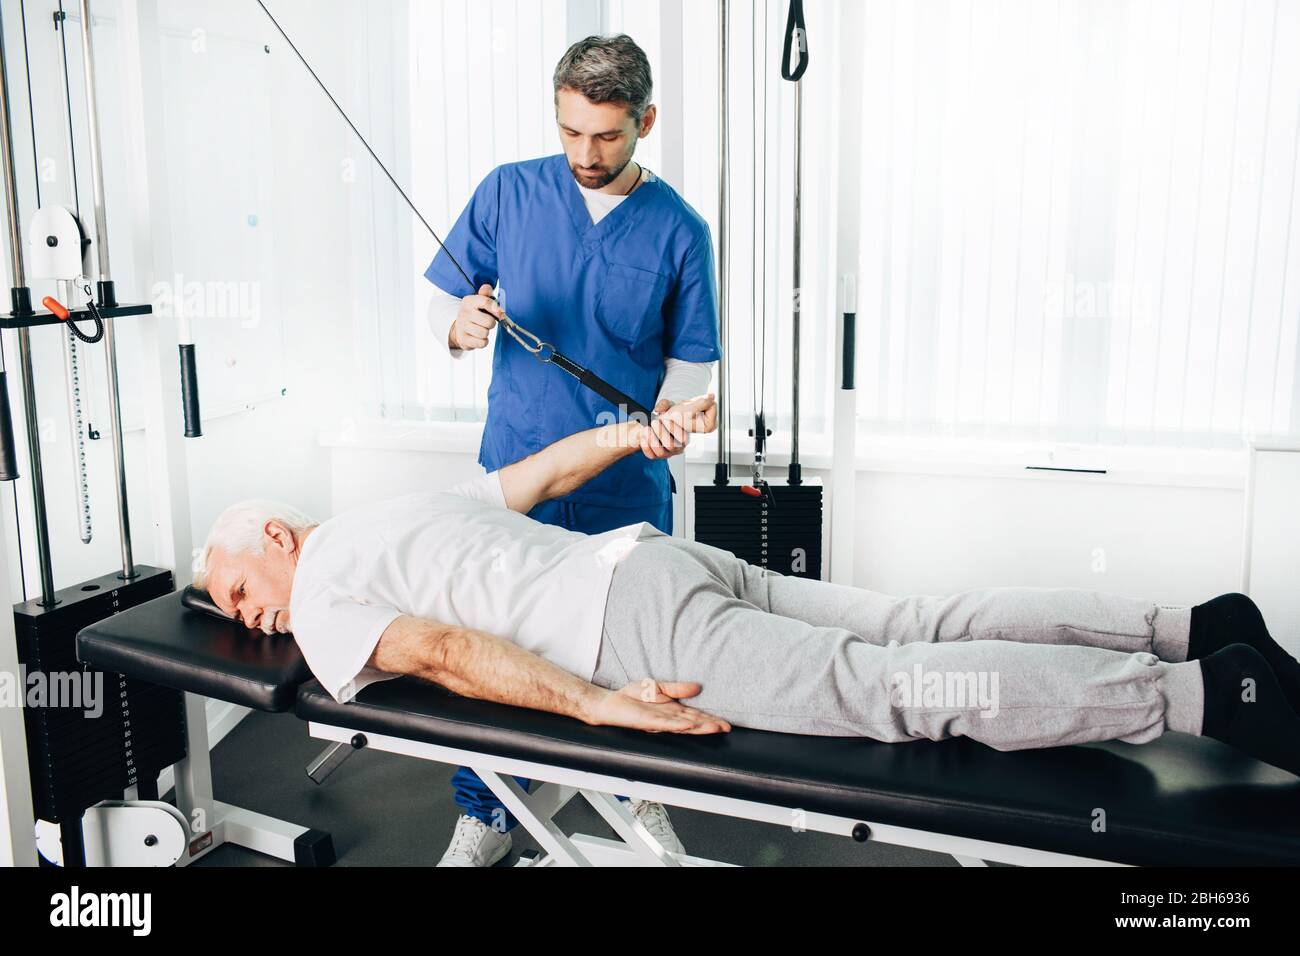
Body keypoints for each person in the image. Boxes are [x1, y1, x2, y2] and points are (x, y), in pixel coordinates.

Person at [195, 391, 1300, 869]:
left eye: (242, 592)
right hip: (651, 555)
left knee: (892, 687)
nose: (253, 621)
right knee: (915, 620)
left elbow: (438, 652)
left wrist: (591, 702)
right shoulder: (391, 513)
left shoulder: (328, 593)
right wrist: (635, 435)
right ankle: (1187, 627)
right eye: (238, 617)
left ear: (280, 537)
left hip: (633, 628)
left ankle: (1213, 697)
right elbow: (531, 476)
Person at [421, 32, 721, 865]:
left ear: (645, 122)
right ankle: (484, 813)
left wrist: (672, 421)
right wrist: (460, 328)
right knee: (491, 646)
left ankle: (640, 799)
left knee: (630, 646)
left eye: (607, 135)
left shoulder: (679, 230)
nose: (586, 154)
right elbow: (447, 307)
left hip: (624, 485)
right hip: (516, 469)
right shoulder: (506, 194)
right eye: (570, 132)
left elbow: (689, 369)